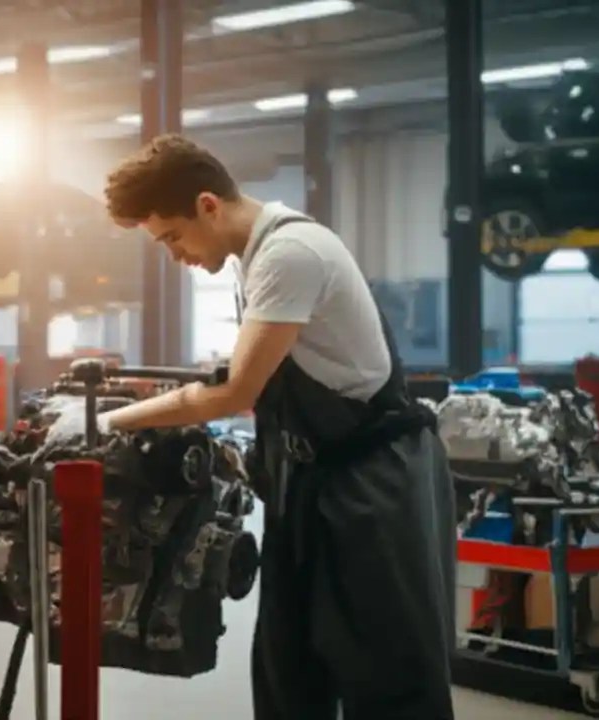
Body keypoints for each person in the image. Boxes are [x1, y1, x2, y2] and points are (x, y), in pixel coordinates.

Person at [66, 134, 458, 719]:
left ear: (207, 205)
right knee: (289, 663)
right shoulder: (253, 259)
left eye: (171, 237)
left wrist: (103, 419)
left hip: (372, 481)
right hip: (308, 477)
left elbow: (234, 392)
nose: (174, 255)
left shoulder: (290, 253)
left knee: (386, 667)